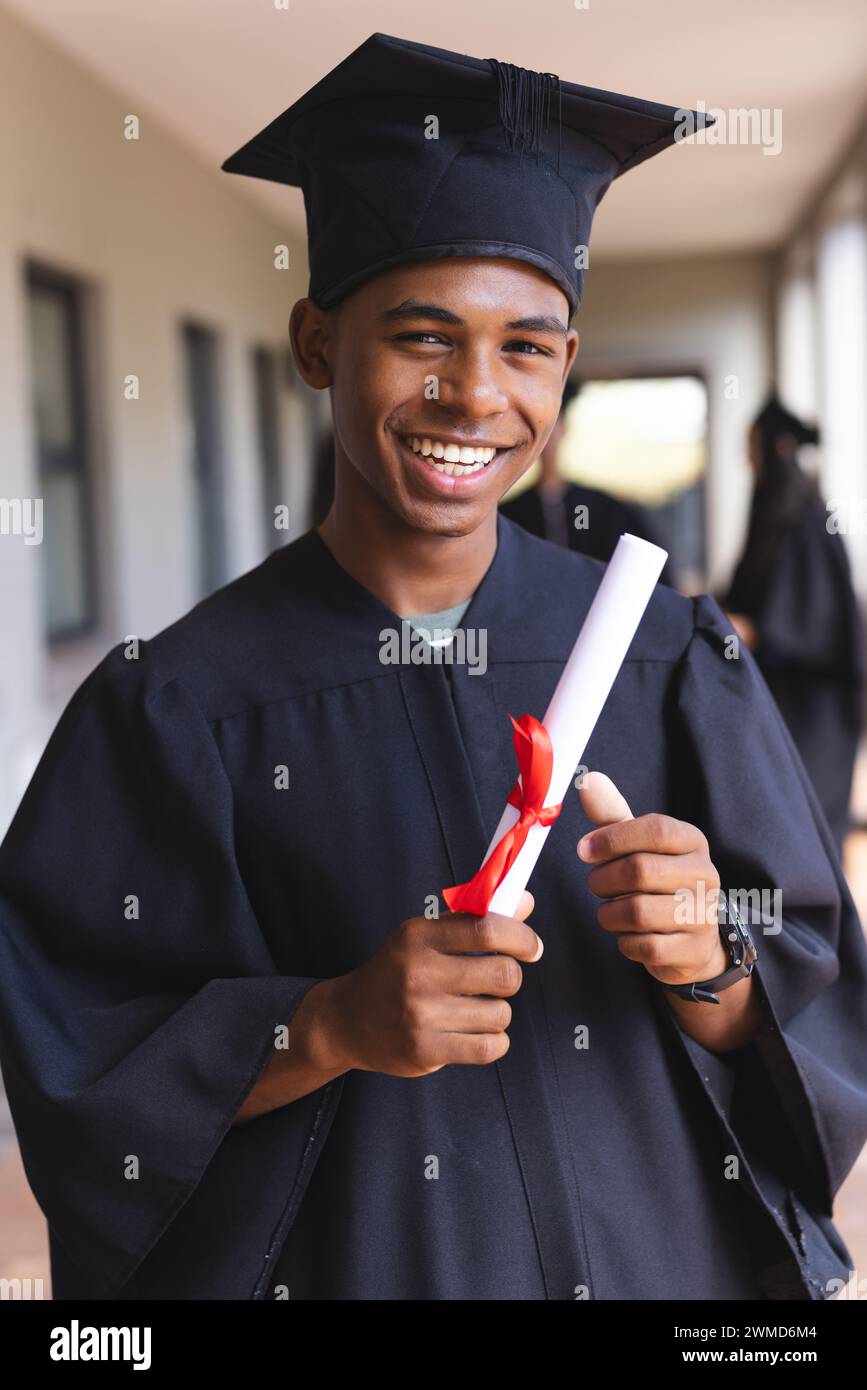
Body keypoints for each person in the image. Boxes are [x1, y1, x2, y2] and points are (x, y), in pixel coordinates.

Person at [1, 32, 866, 1303]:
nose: (474, 394)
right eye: (423, 336)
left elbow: (807, 997)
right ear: (314, 343)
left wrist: (710, 960)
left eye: (526, 347)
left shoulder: (671, 656)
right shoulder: (176, 706)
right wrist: (330, 1023)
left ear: (563, 367)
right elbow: (82, 1063)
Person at [721, 394, 865, 853]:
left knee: (811, 837)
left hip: (815, 713)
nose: (747, 459)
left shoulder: (811, 524)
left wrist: (755, 630)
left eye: (752, 447)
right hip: (780, 706)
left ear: (774, 449)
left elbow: (819, 628)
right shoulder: (771, 519)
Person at [500, 377, 676, 585]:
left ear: (565, 428)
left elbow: (649, 573)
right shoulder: (509, 515)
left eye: (554, 426)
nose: (548, 439)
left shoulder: (602, 510)